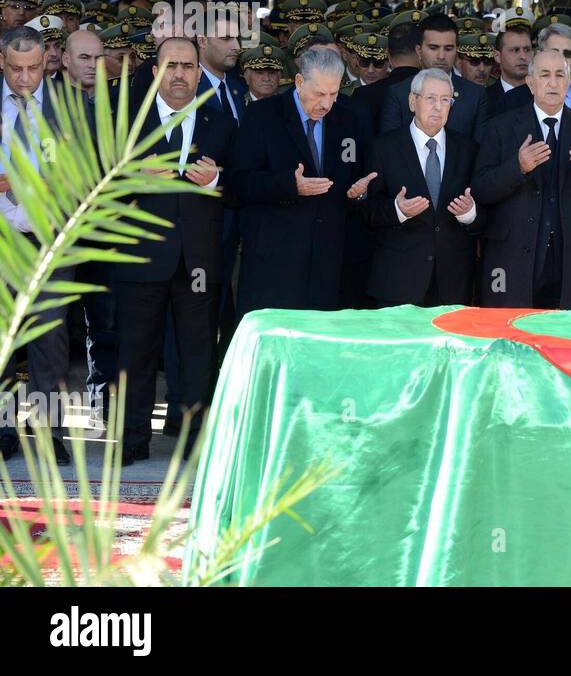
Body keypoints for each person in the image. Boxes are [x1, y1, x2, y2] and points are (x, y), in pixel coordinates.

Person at [111, 37, 233, 464]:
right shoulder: (126, 121)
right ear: (155, 72)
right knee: (136, 351)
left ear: (199, 73)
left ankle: (191, 439)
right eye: (171, 66)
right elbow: (95, 183)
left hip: (199, 259)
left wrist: (214, 182)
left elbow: (242, 185)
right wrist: (133, 177)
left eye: (187, 66)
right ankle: (132, 439)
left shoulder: (220, 123)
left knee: (198, 353)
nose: (179, 74)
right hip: (141, 256)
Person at [472, 49, 571, 308]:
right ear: (530, 83)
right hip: (512, 260)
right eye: (545, 74)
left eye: (560, 74)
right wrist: (517, 168)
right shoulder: (500, 127)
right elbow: (481, 189)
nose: (553, 82)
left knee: (567, 340)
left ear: (569, 81)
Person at [227, 47, 364, 316]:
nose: (326, 103)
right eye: (319, 94)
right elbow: (238, 183)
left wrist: (358, 192)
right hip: (275, 263)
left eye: (334, 94)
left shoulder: (348, 121)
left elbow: (354, 175)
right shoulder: (262, 116)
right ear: (299, 82)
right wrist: (289, 185)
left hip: (328, 263)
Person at [0, 26, 82, 463]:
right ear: (2, 62)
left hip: (51, 238)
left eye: (33, 68)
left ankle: (47, 430)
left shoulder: (68, 105)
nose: (25, 78)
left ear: (46, 60)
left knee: (50, 337)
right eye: (16, 69)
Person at [351, 68, 480, 306]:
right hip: (398, 281)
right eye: (430, 98)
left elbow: (485, 207)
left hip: (452, 283)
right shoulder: (383, 148)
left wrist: (470, 214)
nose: (438, 107)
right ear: (412, 101)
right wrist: (397, 210)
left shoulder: (468, 149)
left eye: (445, 100)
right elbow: (366, 210)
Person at [380, 14, 487, 140]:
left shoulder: (475, 95)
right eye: (433, 48)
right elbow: (389, 147)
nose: (441, 56)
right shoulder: (399, 93)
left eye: (448, 48)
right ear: (419, 51)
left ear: (456, 51)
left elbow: (480, 150)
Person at [497, 23, 571, 132]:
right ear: (538, 55)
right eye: (553, 53)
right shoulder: (511, 101)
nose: (560, 59)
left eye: (567, 54)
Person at [196, 17, 247, 126]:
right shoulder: (189, 88)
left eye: (237, 39)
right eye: (226, 38)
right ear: (202, 41)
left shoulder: (240, 86)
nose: (237, 47)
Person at [61, 29, 103, 95]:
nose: (93, 65)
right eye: (84, 57)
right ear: (66, 60)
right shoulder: (48, 102)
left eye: (98, 58)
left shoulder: (117, 100)